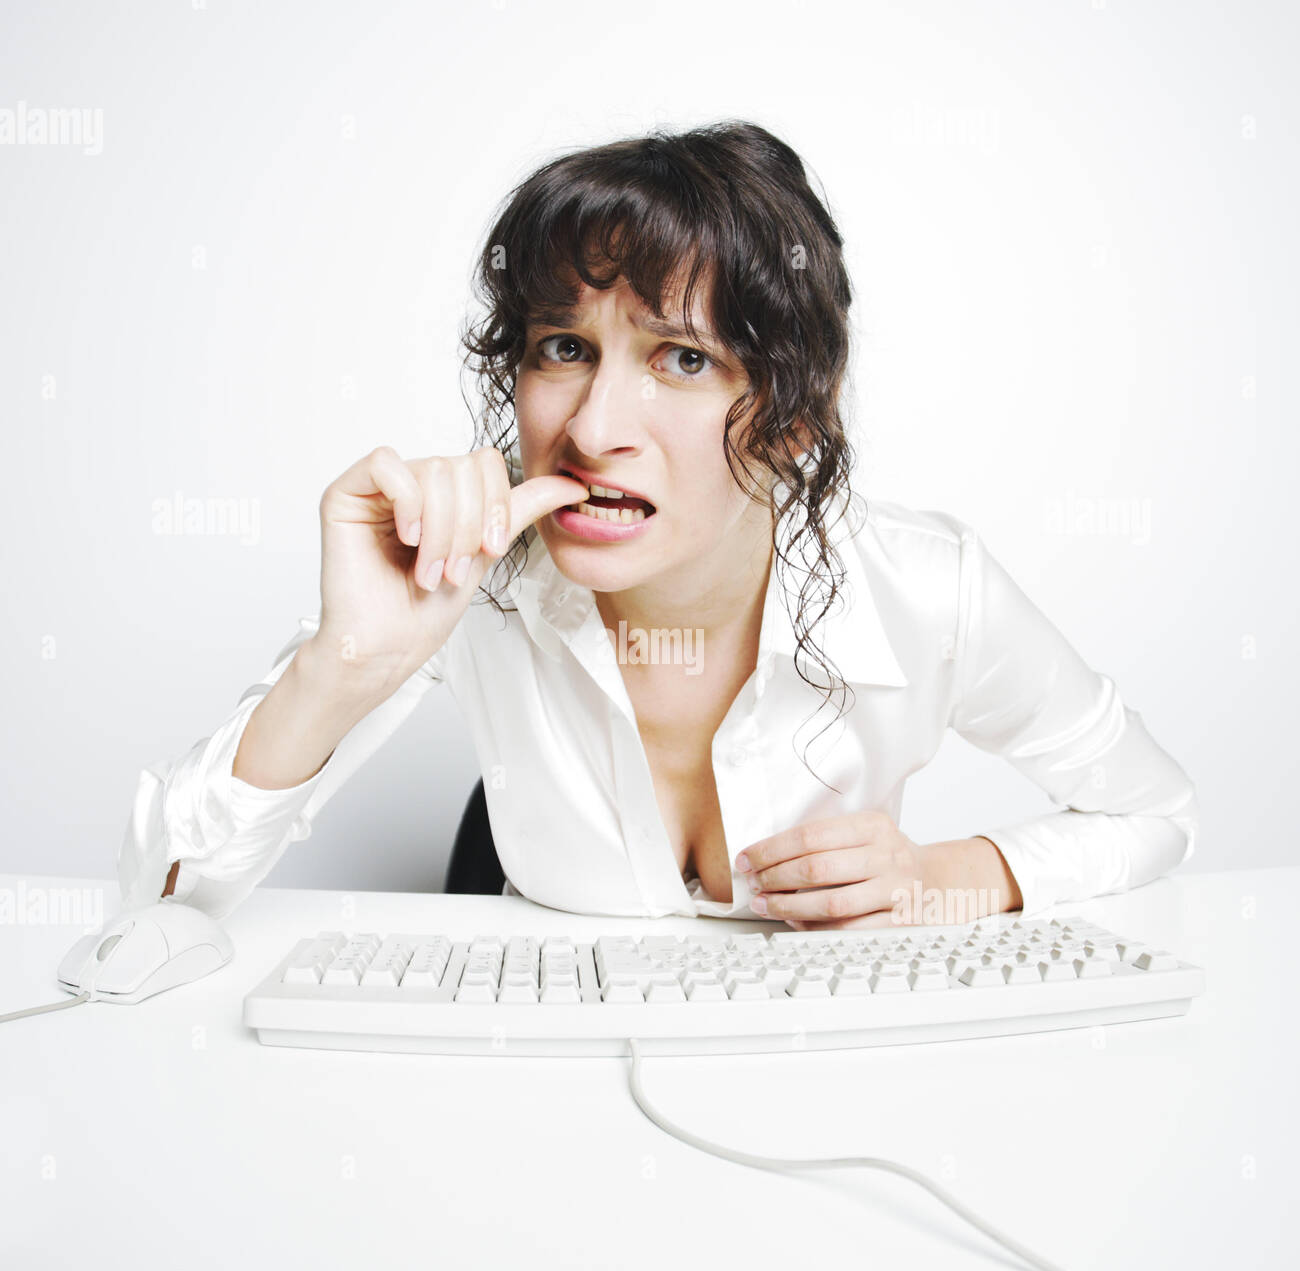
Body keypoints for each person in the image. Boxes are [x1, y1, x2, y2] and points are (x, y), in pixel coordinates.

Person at [117, 120, 1197, 930]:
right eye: (562, 347)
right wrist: (342, 664)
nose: (591, 427)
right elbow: (159, 903)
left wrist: (950, 876)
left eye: (681, 358)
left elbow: (1154, 812)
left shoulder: (926, 587)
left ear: (790, 417)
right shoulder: (470, 577)